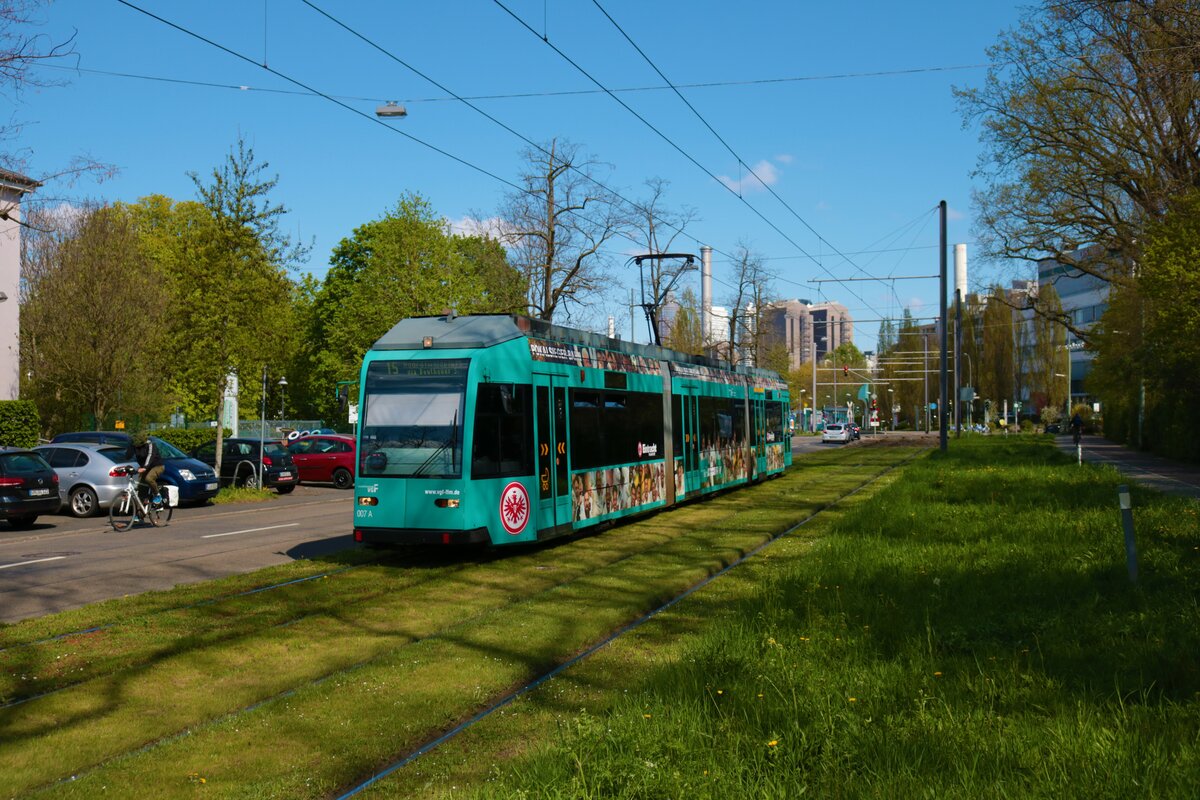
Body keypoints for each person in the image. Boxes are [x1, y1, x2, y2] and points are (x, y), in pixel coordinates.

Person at [133, 432, 165, 503]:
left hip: (157, 466)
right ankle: (142, 507)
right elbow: (135, 457)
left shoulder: (150, 444)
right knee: (141, 485)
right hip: (146, 467)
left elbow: (150, 456)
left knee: (149, 478)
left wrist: (144, 467)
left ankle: (157, 494)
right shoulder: (135, 446)